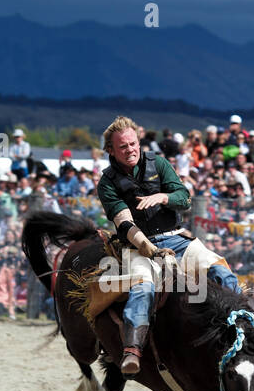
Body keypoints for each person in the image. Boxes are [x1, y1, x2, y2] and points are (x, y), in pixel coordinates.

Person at [96, 115, 240, 374]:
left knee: (222, 272)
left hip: (179, 238)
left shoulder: (159, 163)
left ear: (138, 142)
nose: (130, 150)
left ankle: (241, 332)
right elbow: (123, 222)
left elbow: (184, 198)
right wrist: (148, 248)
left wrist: (163, 197)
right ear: (110, 150)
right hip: (137, 246)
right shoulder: (107, 182)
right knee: (142, 288)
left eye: (133, 143)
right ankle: (132, 351)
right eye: (123, 146)